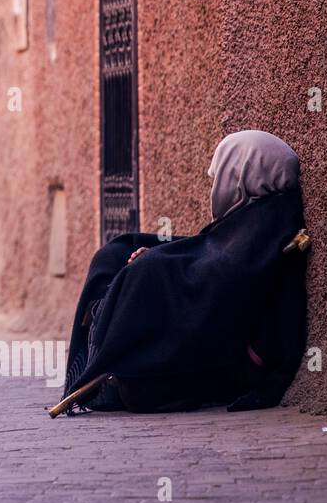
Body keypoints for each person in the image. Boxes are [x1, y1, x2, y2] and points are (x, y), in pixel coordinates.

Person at [61, 130, 307, 414]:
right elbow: (210, 250)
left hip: (227, 357)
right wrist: (157, 255)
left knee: (146, 272)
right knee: (116, 252)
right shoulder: (254, 212)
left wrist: (157, 263)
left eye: (220, 175)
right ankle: (106, 324)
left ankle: (107, 328)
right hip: (202, 329)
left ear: (240, 174)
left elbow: (220, 276)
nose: (216, 184)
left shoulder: (270, 221)